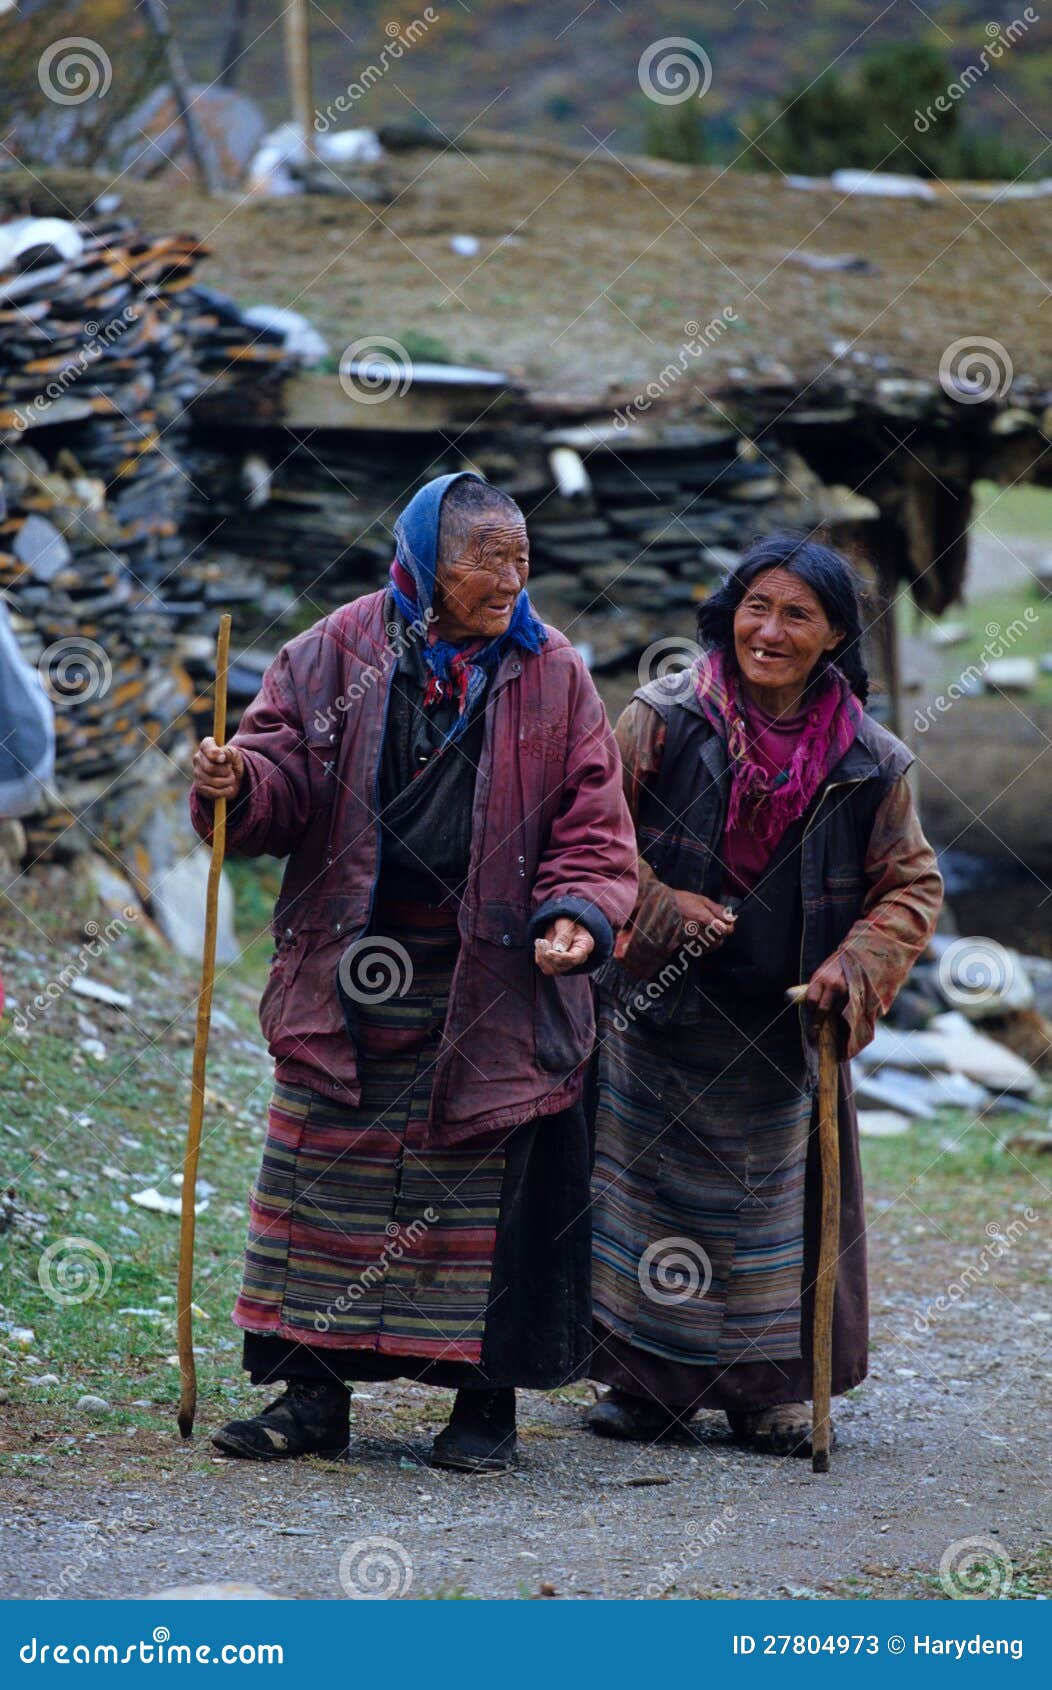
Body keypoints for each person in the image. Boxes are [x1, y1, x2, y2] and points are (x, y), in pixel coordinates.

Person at [189, 471, 637, 1472]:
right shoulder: (335, 650)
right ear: (428, 555)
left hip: (488, 980)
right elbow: (281, 776)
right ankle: (309, 1402)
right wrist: (239, 782)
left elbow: (594, 828)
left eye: (522, 557)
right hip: (347, 968)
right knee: (322, 1187)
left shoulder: (550, 674)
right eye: (488, 555)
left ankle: (483, 1412)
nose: (511, 577)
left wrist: (575, 916)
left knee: (477, 1195)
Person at [587, 532, 943, 1456]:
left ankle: (772, 1392)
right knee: (646, 1204)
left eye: (797, 615)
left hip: (786, 1028)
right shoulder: (662, 719)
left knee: (776, 1215)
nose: (769, 631)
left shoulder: (873, 759)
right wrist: (661, 906)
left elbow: (910, 887)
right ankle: (645, 1385)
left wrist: (855, 965)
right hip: (658, 1015)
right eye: (756, 607)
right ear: (727, 614)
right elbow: (592, 838)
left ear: (834, 637)